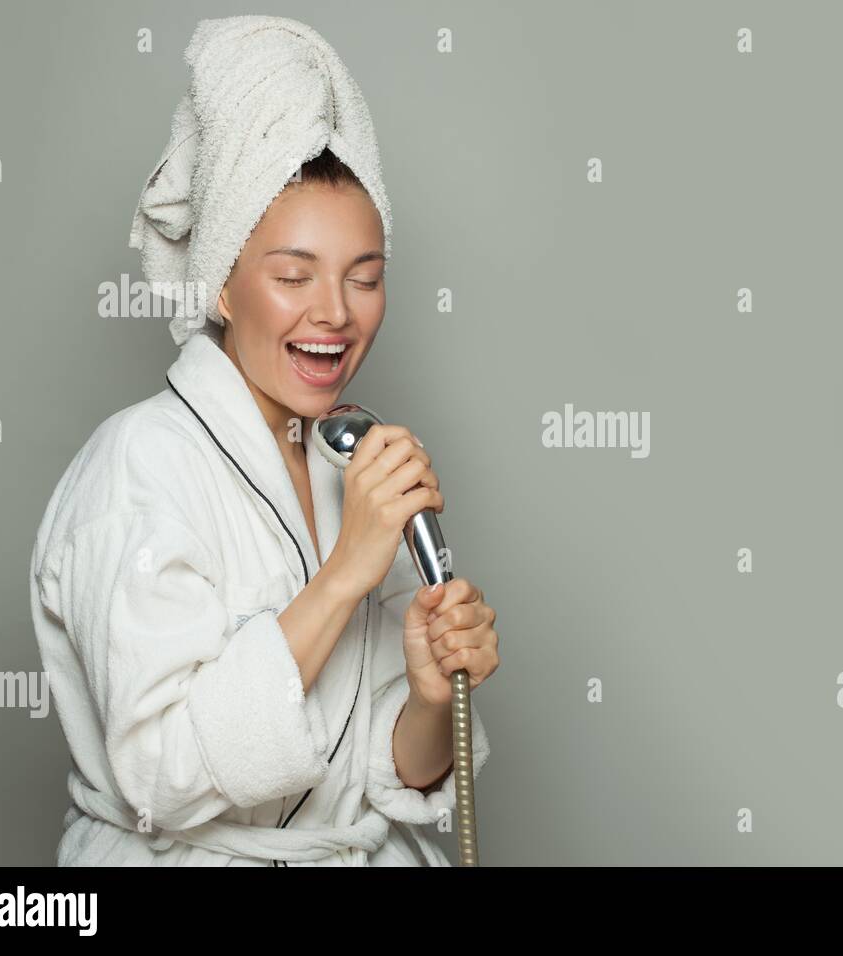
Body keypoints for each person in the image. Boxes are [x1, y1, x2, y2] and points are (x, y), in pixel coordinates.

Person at [28, 16, 498, 866]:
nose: (336, 312)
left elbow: (380, 767)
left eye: (366, 277)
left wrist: (431, 698)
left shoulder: (353, 467)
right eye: (293, 276)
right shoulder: (139, 466)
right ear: (224, 289)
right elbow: (163, 774)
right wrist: (347, 570)